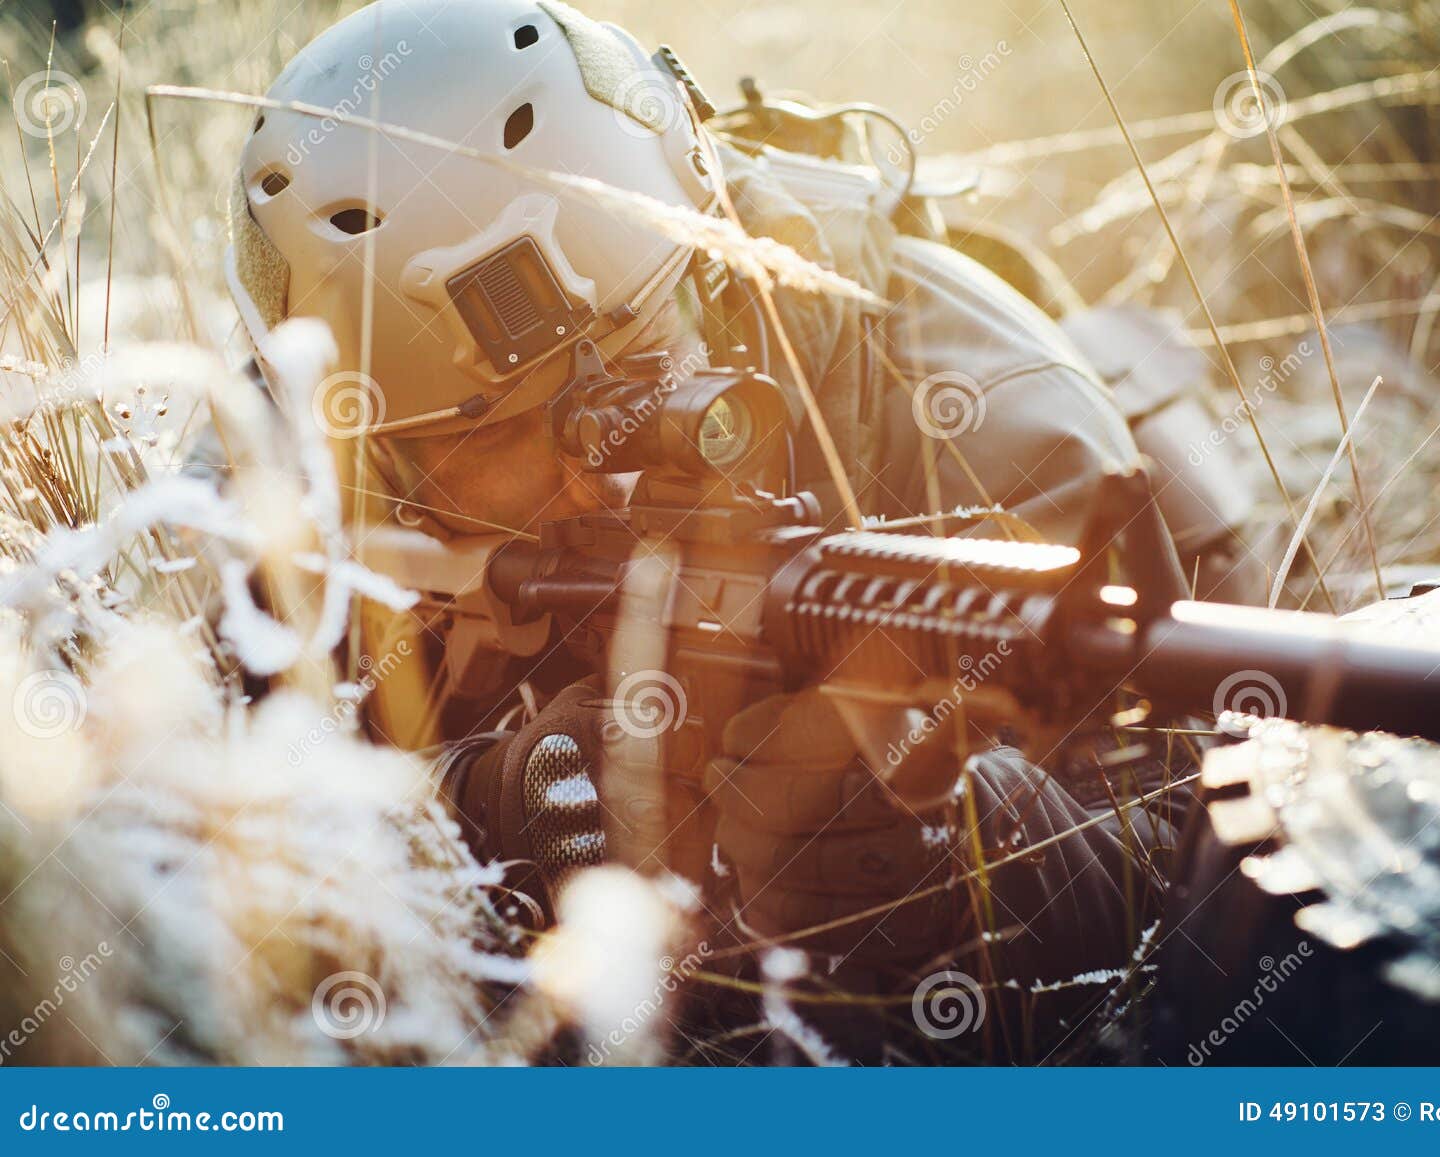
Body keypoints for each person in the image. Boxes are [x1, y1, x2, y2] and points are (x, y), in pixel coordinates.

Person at [226, 0, 1226, 1059]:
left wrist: (976, 850)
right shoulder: (325, 437)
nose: (602, 468)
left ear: (704, 274)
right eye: (511, 433)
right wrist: (490, 805)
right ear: (387, 443)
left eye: (638, 375)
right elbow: (222, 819)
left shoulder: (989, 420)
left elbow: (1189, 861)